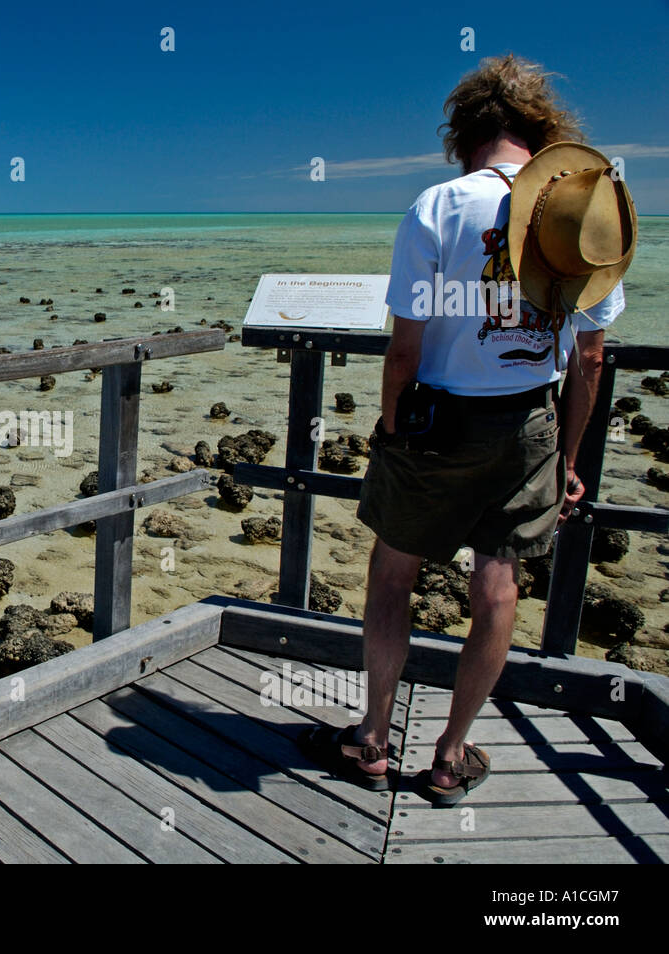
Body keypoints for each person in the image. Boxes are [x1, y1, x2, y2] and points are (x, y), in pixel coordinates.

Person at [300, 54, 637, 805]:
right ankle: (451, 756)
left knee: (393, 574)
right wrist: (569, 456)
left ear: (466, 130)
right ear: (543, 128)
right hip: (528, 424)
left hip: (436, 420)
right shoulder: (575, 209)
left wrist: (392, 429)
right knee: (496, 586)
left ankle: (373, 741)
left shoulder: (437, 207)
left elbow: (404, 347)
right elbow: (589, 356)